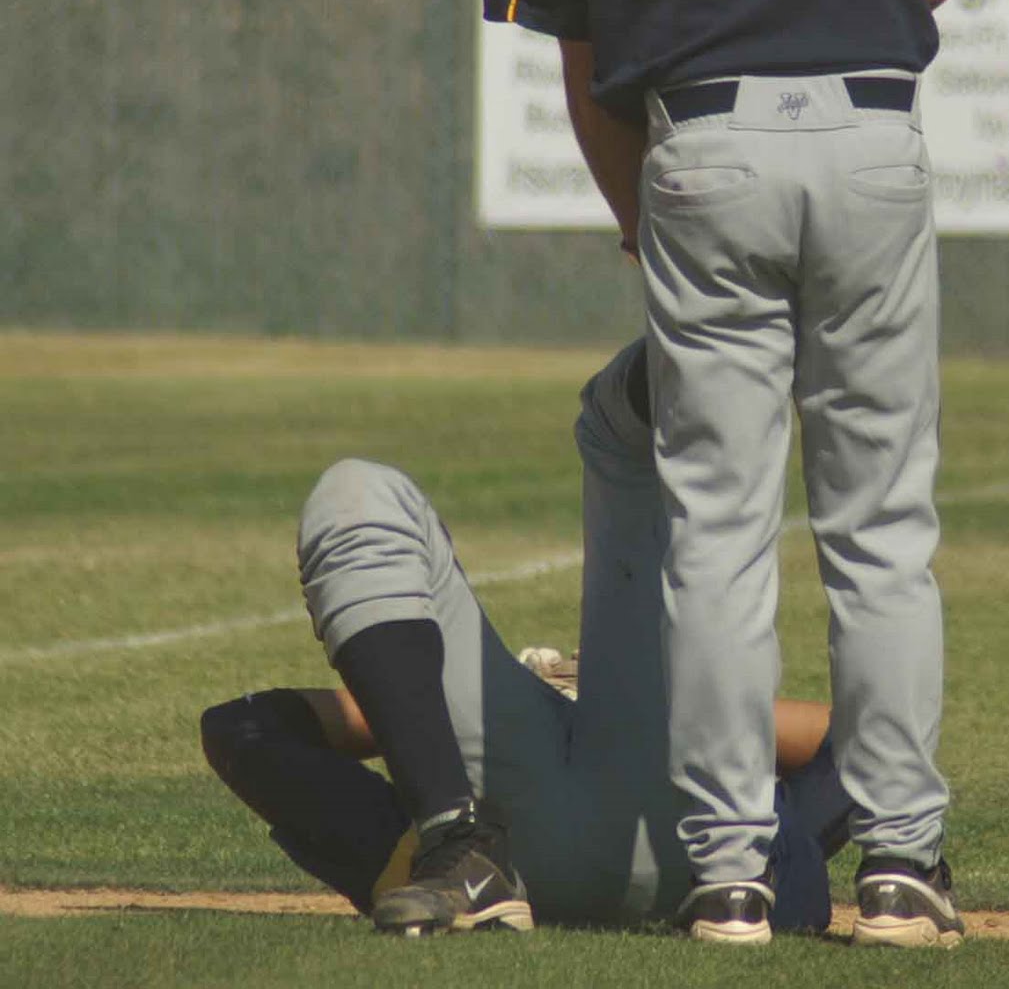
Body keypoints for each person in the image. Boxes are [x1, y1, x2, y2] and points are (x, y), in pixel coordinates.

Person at [481, 0, 984, 947]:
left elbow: (584, 76)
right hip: (873, 134)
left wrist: (646, 217)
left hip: (701, 148)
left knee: (717, 532)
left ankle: (729, 874)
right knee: (882, 526)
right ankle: (898, 866)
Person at [200, 340, 851, 939]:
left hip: (488, 845)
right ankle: (750, 332)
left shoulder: (399, 826)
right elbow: (856, 733)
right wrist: (706, 711)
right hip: (704, 858)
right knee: (612, 426)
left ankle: (458, 846)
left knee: (353, 495)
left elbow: (237, 729)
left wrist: (412, 718)